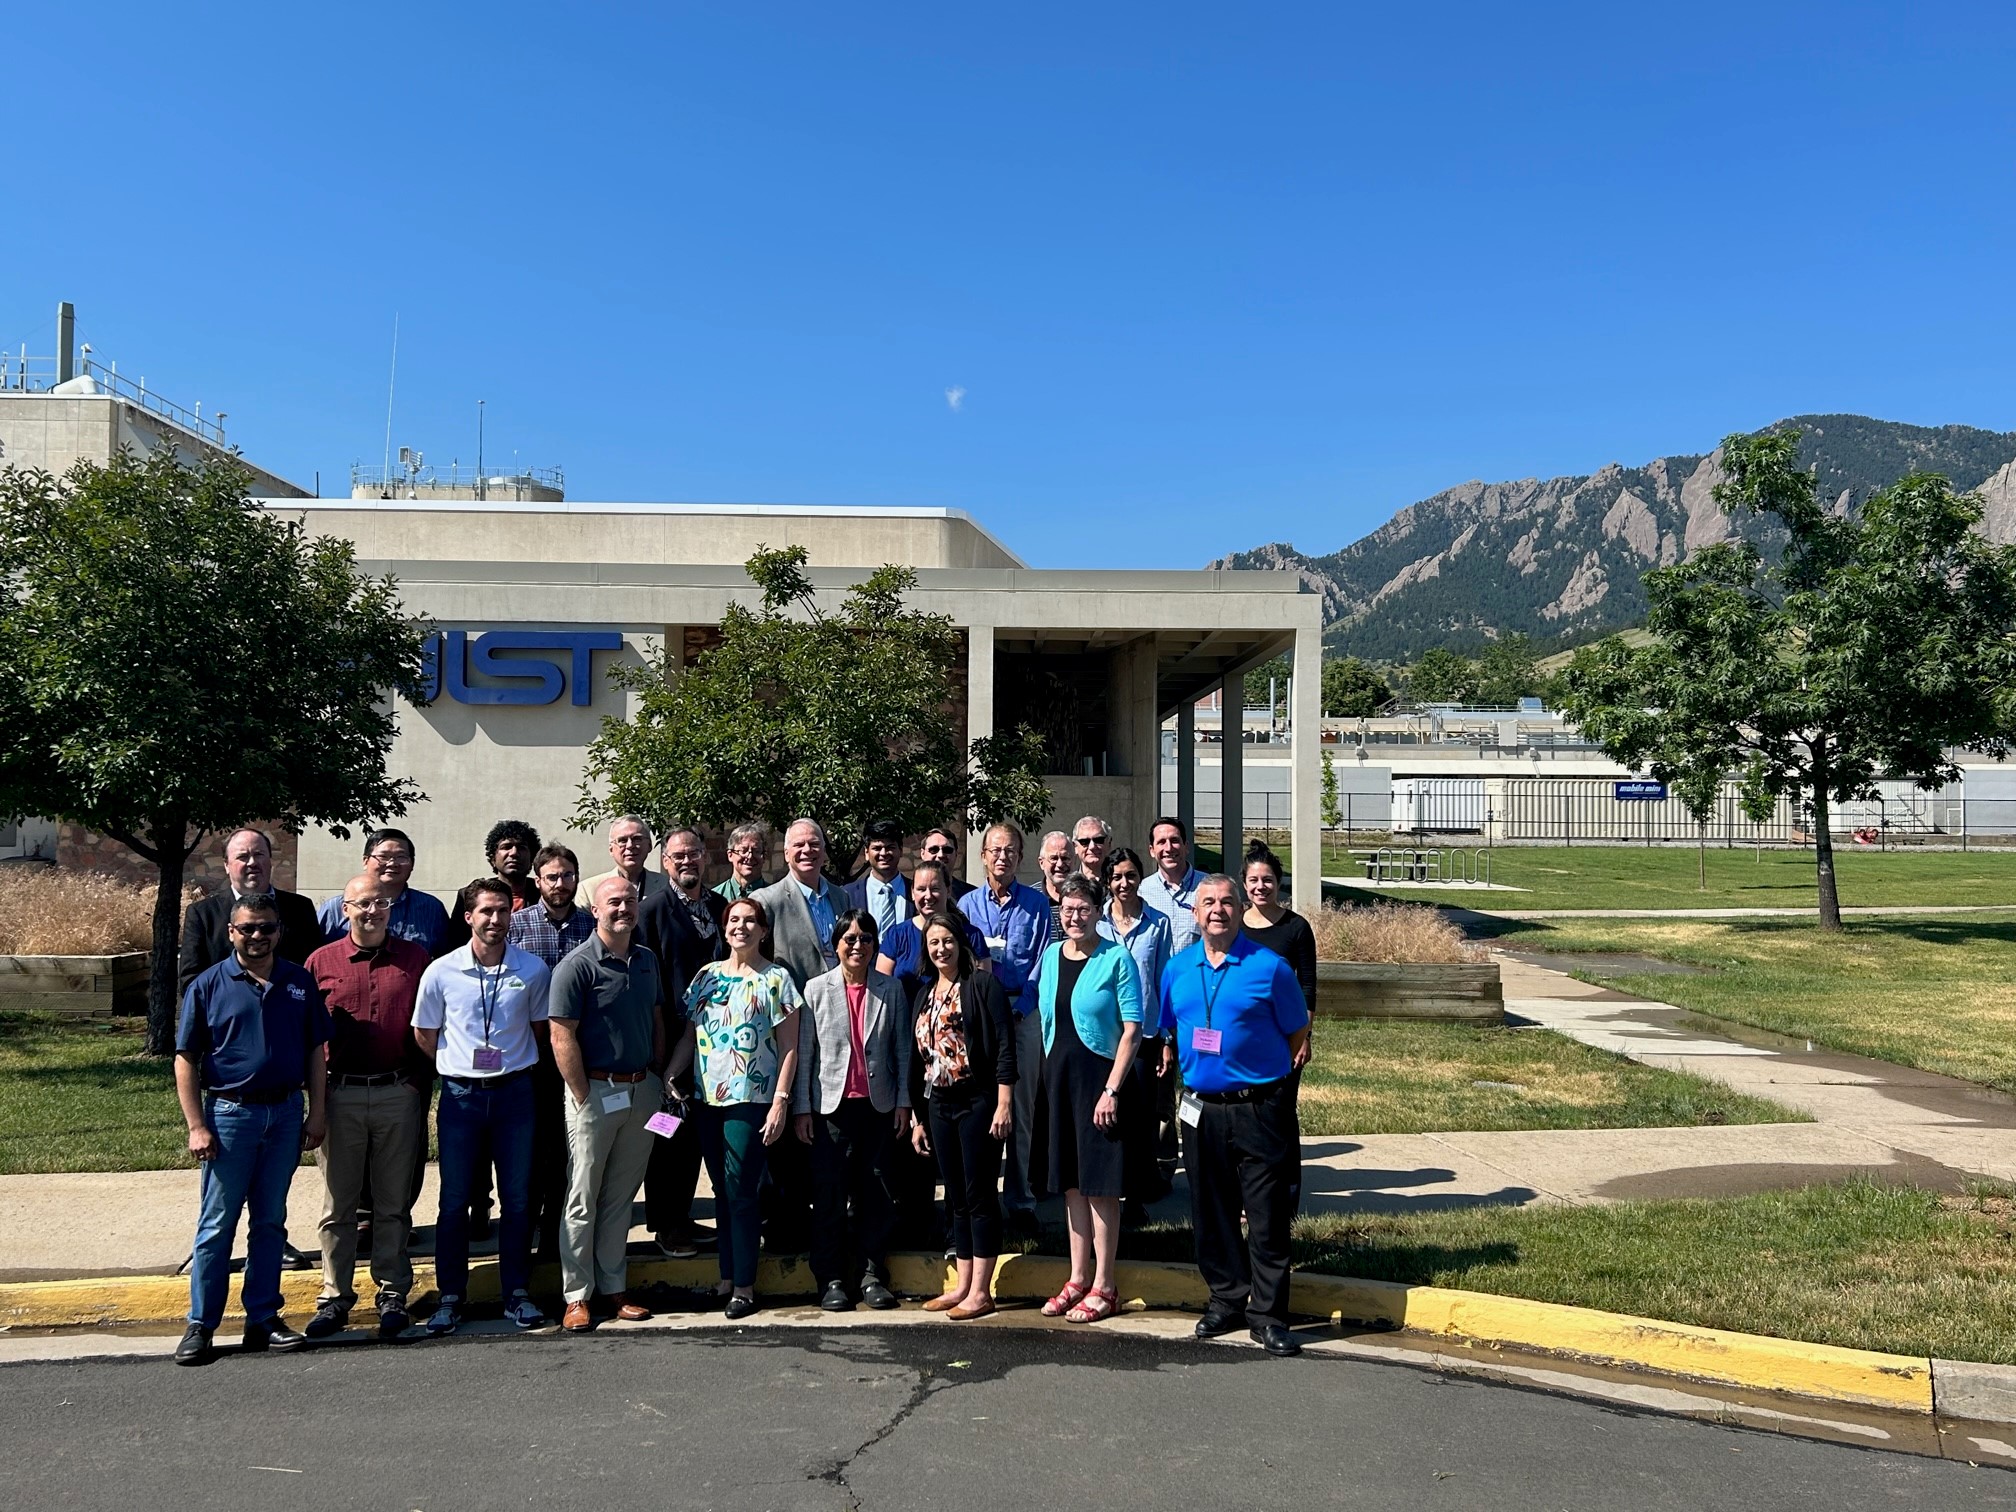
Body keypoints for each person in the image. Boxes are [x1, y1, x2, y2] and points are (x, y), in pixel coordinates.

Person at [172, 895, 331, 1366]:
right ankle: (201, 1324)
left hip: (283, 1114)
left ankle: (262, 1318)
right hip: (229, 1117)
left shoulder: (298, 982)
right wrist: (196, 1125)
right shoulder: (207, 985)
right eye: (247, 929)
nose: (257, 936)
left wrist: (316, 1113)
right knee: (216, 1225)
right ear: (231, 933)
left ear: (278, 931)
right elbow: (186, 1058)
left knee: (269, 1223)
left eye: (266, 928)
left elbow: (315, 1053)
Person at [1159, 876, 1310, 1357]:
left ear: (1240, 909)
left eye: (1227, 901)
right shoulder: (1178, 968)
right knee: (1212, 1210)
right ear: (1196, 913)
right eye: (1208, 903)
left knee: (1265, 1216)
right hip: (1201, 1109)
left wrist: (1262, 1080)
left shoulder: (1271, 968)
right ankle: (1226, 1297)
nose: (1217, 910)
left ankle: (1267, 1315)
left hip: (1258, 1107)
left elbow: (1296, 1033)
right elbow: (1169, 1026)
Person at [413, 877, 553, 1336]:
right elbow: (425, 1034)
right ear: (469, 916)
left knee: (517, 1200)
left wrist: (506, 1065)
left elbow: (538, 1031)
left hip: (515, 1094)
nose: (495, 920)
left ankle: (516, 1293)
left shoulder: (532, 970)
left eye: (502, 911)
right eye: (485, 912)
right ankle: (451, 1296)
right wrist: (458, 1067)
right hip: (461, 1097)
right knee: (454, 1201)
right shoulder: (441, 971)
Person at [303, 876, 431, 1342]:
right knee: (338, 1204)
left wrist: (418, 1084)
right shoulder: (320, 962)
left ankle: (393, 1290)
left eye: (380, 903)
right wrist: (316, 1103)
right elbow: (311, 1040)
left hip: (399, 1091)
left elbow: (431, 1024)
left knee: (393, 1203)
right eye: (362, 903)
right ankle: (334, 1296)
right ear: (345, 910)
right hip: (341, 1095)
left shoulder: (416, 960)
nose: (372, 911)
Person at [550, 876, 679, 1332]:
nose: (622, 908)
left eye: (628, 900)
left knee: (621, 1197)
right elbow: (561, 1033)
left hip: (642, 1090)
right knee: (583, 1196)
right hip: (595, 1092)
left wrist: (657, 1074)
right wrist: (583, 1092)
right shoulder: (577, 965)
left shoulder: (645, 961)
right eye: (613, 902)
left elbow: (658, 1018)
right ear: (596, 909)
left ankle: (614, 1287)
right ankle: (576, 1295)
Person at [681, 896, 803, 1318]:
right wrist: (670, 1076)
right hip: (705, 1099)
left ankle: (746, 1287)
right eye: (734, 920)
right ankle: (726, 1278)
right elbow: (689, 1035)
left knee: (742, 1192)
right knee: (720, 1190)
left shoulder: (776, 980)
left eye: (750, 921)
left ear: (764, 930)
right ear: (724, 927)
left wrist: (781, 1102)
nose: (741, 927)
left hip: (750, 1100)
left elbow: (790, 1048)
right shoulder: (706, 977)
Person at [1033, 875, 1144, 1324]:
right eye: (1067, 908)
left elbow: (1133, 1030)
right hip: (1060, 1083)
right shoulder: (1051, 957)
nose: (1074, 916)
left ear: (1099, 911)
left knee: (1101, 1188)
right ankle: (1077, 1278)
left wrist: (1111, 1090)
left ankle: (1105, 1284)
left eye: (1083, 908)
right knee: (1072, 1185)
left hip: (1100, 1086)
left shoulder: (1117, 958)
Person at [793, 910, 911, 1311]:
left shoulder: (890, 989)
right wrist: (803, 1110)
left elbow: (902, 1051)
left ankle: (871, 1275)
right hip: (831, 1109)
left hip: (877, 1107)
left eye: (865, 938)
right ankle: (831, 1278)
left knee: (875, 1193)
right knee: (830, 1194)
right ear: (836, 945)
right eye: (850, 938)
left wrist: (903, 1103)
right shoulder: (816, 990)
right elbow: (806, 1053)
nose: (857, 945)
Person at [909, 913, 1015, 1320]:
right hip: (939, 1104)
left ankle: (982, 1291)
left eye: (948, 941)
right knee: (955, 1197)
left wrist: (1004, 1102)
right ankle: (963, 1285)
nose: (941, 949)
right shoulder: (924, 995)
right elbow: (918, 1059)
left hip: (978, 1102)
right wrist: (919, 1118)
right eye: (933, 943)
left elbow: (1005, 1047)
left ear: (961, 943)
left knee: (980, 1195)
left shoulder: (982, 986)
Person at [751, 818, 847, 1248]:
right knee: (788, 1131)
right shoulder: (766, 900)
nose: (807, 851)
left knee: (825, 1127)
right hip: (792, 1027)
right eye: (798, 845)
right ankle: (785, 1223)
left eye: (815, 844)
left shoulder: (842, 896)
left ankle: (824, 1215)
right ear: (785, 854)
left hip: (839, 1028)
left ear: (825, 851)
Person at [636, 828, 728, 1258]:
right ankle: (665, 1223)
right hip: (670, 1040)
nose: (687, 860)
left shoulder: (719, 907)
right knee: (667, 1133)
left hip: (719, 1040)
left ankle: (684, 1213)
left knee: (694, 1136)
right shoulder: (651, 910)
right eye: (678, 855)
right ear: (665, 862)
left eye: (693, 853)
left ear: (705, 858)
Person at [956, 823, 1050, 1225]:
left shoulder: (1038, 904)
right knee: (980, 1106)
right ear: (982, 856)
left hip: (1021, 1011)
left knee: (1022, 1109)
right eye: (995, 850)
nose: (1002, 857)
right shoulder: (967, 906)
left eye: (1010, 851)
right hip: (979, 1014)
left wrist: (1020, 1007)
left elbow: (1042, 962)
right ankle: (982, 1197)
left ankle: (1021, 1198)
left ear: (1021, 857)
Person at [507, 844, 596, 1262]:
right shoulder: (517, 926)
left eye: (567, 876)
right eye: (552, 877)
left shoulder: (592, 926)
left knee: (569, 1152)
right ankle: (522, 1237)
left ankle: (557, 1241)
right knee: (531, 1151)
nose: (560, 884)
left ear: (576, 879)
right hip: (532, 1059)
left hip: (581, 1058)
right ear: (537, 881)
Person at [1100, 846, 1175, 1210]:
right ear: (1107, 881)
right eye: (1116, 877)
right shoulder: (1095, 922)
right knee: (1108, 1114)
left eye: (1130, 875)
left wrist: (1166, 1037)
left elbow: (1164, 982)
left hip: (1144, 1034)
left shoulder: (1159, 923)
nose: (1124, 883)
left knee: (1142, 1116)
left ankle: (1136, 1194)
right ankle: (1110, 1187)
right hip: (1104, 1036)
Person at [178, 827, 322, 995]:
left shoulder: (300, 908)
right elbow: (190, 981)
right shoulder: (203, 914)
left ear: (270, 861)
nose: (252, 863)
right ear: (226, 865)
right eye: (243, 857)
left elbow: (315, 969)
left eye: (259, 854)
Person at [316, 829, 451, 953]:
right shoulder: (334, 908)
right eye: (383, 856)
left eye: (401, 857)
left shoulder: (431, 907)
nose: (392, 863)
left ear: (412, 864)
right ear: (365, 861)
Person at [872, 861, 992, 1002]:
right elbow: (881, 989)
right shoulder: (896, 935)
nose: (928, 896)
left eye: (935, 888)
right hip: (905, 1021)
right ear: (912, 893)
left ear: (948, 891)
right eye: (921, 889)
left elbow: (983, 988)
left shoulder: (970, 935)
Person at [1240, 840, 1318, 1047]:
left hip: (1284, 1027)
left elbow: (1307, 985)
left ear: (1278, 882)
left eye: (1267, 880)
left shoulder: (1297, 926)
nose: (1260, 887)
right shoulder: (1233, 926)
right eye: (1253, 880)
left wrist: (1305, 1036)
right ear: (1244, 884)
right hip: (1239, 1027)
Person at [438, 820, 545, 952]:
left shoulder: (544, 894)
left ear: (532, 859)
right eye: (506, 847)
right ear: (493, 859)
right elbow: (456, 945)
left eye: (521, 847)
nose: (514, 853)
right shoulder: (470, 895)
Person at [1139, 816, 1208, 955]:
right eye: (1162, 842)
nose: (1169, 848)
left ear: (1186, 846)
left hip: (1195, 974)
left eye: (1175, 840)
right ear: (1152, 850)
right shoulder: (1142, 891)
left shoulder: (1208, 886)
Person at [577, 814, 670, 909]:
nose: (630, 845)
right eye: (622, 840)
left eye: (637, 839)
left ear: (649, 846)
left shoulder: (667, 886)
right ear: (611, 850)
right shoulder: (588, 890)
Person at [841, 818, 913, 935]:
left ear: (900, 850)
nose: (883, 853)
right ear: (866, 853)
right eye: (877, 848)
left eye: (890, 847)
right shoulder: (847, 895)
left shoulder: (917, 892)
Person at [712, 822, 771, 903]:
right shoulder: (714, 899)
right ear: (730, 855)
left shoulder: (776, 898)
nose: (750, 856)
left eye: (756, 851)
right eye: (743, 850)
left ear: (764, 856)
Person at [1036, 830, 1078, 938]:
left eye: (1065, 858)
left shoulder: (1087, 896)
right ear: (1041, 863)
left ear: (1074, 861)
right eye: (1054, 858)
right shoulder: (1030, 899)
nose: (1060, 864)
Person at [918, 827, 974, 901]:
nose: (941, 855)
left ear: (956, 854)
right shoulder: (906, 893)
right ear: (922, 853)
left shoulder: (972, 896)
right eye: (934, 849)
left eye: (947, 850)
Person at [1072, 815, 1115, 889]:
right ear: (1075, 846)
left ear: (1109, 843)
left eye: (1098, 840)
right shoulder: (1069, 886)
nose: (1092, 846)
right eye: (1084, 841)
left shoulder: (1120, 884)